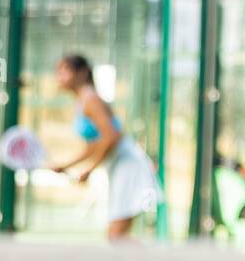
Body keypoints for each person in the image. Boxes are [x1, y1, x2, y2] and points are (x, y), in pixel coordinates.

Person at [51, 54, 163, 242]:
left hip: (129, 166)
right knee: (116, 236)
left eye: (65, 71)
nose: (59, 77)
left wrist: (90, 169)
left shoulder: (91, 99)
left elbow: (112, 136)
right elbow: (94, 145)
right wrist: (67, 165)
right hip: (119, 167)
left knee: (116, 236)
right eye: (58, 72)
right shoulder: (82, 101)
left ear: (82, 73)